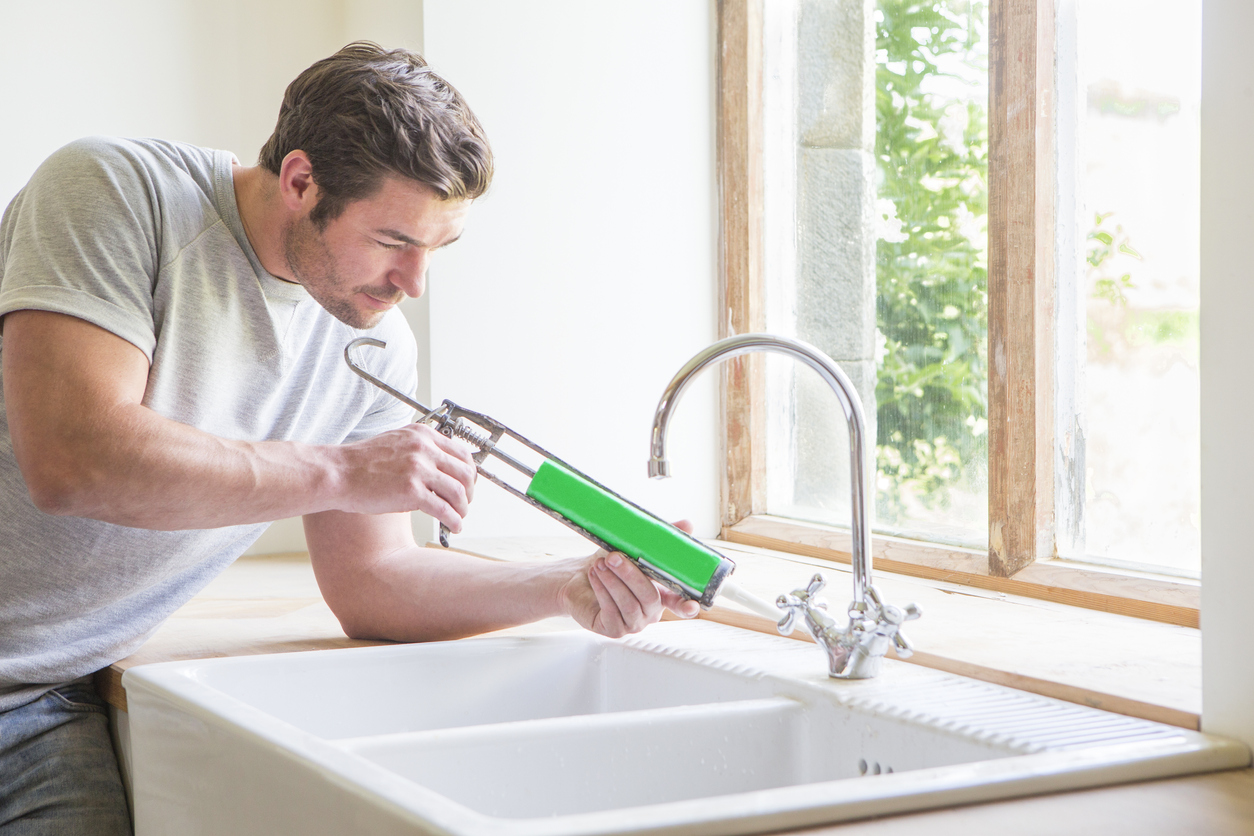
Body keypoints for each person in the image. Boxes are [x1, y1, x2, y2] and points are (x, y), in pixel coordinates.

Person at [0, 42, 699, 834]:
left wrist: (564, 586)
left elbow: (376, 583)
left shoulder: (372, 348)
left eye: (439, 248)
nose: (414, 283)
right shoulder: (116, 192)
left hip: (42, 701)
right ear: (301, 181)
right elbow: (71, 460)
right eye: (395, 241)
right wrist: (341, 472)